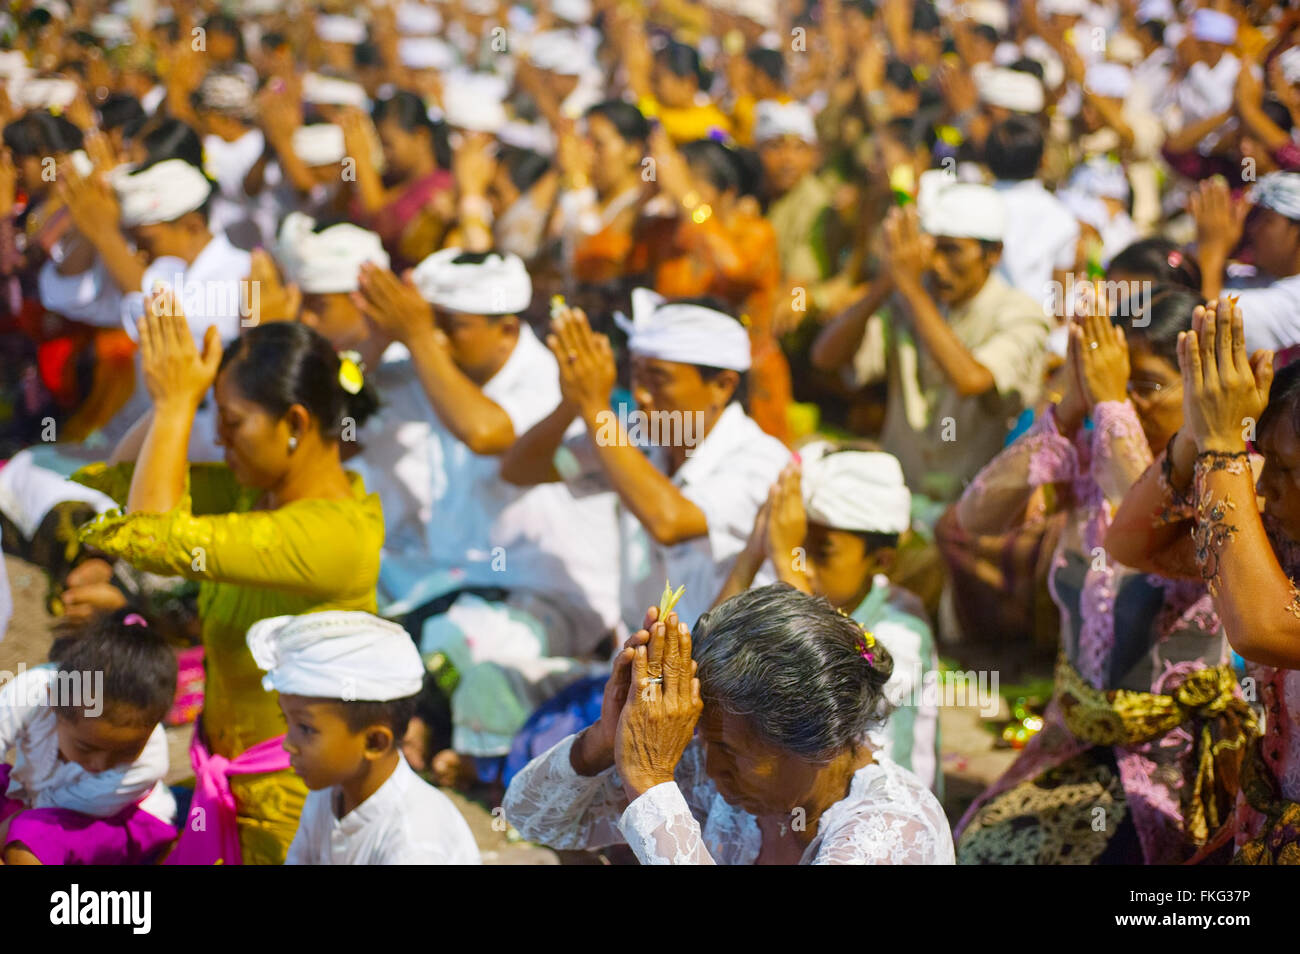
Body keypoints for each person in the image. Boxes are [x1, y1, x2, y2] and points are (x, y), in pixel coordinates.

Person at [68, 308, 383, 865]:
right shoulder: (257, 495)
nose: (216, 436)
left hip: (293, 810)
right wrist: (173, 399)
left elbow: (149, 535)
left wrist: (176, 404)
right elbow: (126, 478)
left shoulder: (331, 536)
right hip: (227, 789)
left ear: (296, 423)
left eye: (232, 423)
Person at [956, 289, 1255, 865]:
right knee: (979, 850)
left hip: (1171, 760)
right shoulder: (1095, 456)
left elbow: (1136, 522)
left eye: (1144, 386)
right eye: (1114, 384)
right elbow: (976, 516)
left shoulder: (1226, 481)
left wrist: (1111, 405)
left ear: (1199, 391)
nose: (1125, 406)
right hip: (1074, 742)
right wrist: (1070, 408)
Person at [352, 249, 620, 767]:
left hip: (546, 596)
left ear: (506, 329)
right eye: (432, 324)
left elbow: (484, 431)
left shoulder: (549, 379)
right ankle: (430, 724)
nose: (438, 337)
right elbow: (337, 411)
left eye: (453, 326)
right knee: (359, 639)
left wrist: (418, 339)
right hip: (446, 582)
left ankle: (436, 731)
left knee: (450, 656)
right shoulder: (425, 363)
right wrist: (378, 340)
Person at [503, 585, 954, 864]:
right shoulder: (716, 773)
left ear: (821, 745)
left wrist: (650, 784)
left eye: (732, 751)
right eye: (704, 741)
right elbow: (536, 819)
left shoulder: (893, 833)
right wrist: (605, 738)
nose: (712, 770)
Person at [1106, 298, 1297, 863]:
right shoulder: (1286, 526)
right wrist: (1199, 430)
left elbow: (1262, 629)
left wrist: (1222, 449)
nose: (1262, 488)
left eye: (1285, 469)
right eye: (1266, 462)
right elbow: (1132, 544)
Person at [501, 292, 790, 631]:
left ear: (722, 387)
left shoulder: (763, 463)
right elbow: (519, 470)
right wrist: (573, 403)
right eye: (636, 373)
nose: (640, 394)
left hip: (728, 673)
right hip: (643, 664)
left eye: (659, 378)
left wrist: (595, 408)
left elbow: (669, 521)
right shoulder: (634, 436)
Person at [812, 179, 1051, 504]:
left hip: (971, 506)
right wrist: (885, 283)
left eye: (951, 249)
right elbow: (825, 357)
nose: (937, 265)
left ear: (993, 254)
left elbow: (972, 379)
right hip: (900, 496)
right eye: (930, 250)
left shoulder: (1019, 313)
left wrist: (909, 288)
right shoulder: (911, 298)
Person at [716, 447, 941, 791]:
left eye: (822, 552)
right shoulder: (793, 591)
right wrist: (751, 554)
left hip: (875, 810)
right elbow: (712, 647)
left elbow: (829, 679)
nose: (802, 565)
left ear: (881, 560)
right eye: (798, 546)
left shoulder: (903, 626)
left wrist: (784, 558)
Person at [247, 611, 480, 865]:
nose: (287, 744)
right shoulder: (328, 794)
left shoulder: (414, 844)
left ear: (374, 743)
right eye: (286, 721)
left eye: (305, 729)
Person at [0, 609, 177, 865]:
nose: (101, 764)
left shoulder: (149, 763)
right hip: (37, 796)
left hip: (123, 820)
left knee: (27, 840)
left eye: (126, 752)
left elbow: (41, 812)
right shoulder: (34, 691)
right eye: (86, 746)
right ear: (55, 703)